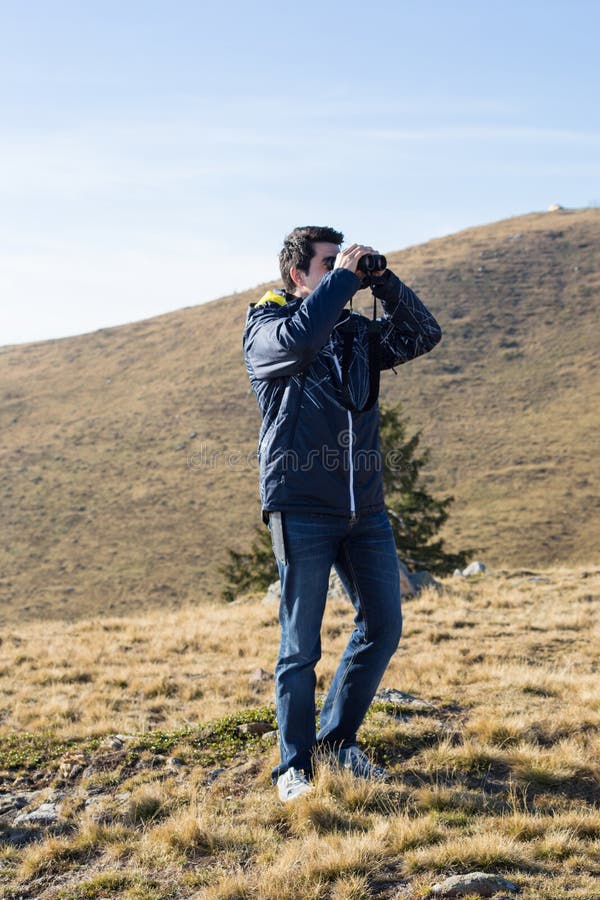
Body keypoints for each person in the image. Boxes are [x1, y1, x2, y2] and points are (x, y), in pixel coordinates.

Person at [242, 226, 442, 801]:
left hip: (365, 510)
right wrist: (343, 284)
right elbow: (302, 340)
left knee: (382, 626)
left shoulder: (354, 333)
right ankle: (294, 767)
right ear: (297, 275)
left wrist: (384, 282)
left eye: (344, 262)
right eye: (329, 265)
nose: (341, 272)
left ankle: (337, 743)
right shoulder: (266, 328)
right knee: (300, 646)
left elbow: (423, 333)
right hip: (301, 504)